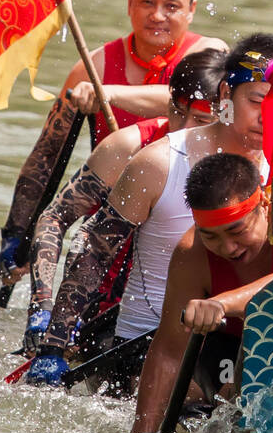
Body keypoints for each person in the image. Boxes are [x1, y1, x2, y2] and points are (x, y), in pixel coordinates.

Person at [24, 34, 273, 384]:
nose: (265, 117)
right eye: (257, 101)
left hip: (245, 348)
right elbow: (94, 255)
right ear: (226, 94)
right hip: (145, 345)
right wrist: (53, 347)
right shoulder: (157, 162)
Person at [0, 0, 225, 283]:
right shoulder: (92, 67)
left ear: (191, 10)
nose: (158, 16)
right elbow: (45, 159)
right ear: (129, 2)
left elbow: (179, 99)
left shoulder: (208, 57)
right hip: (110, 222)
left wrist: (108, 93)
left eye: (172, 6)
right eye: (147, 2)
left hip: (180, 218)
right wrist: (16, 233)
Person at [17, 50, 224, 352]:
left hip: (194, 311)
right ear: (167, 103)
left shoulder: (240, 161)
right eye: (177, 112)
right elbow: (54, 218)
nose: (183, 127)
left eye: (201, 119)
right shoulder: (128, 145)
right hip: (101, 311)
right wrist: (42, 305)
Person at [129, 153, 273, 433]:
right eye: (210, 236)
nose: (228, 247)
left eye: (236, 230)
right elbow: (169, 351)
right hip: (227, 345)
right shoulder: (191, 252)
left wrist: (221, 303)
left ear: (263, 203)